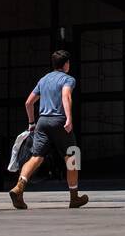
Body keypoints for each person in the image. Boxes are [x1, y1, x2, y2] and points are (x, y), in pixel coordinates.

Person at [9, 50, 88, 210]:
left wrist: (31, 123)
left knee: (36, 156)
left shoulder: (43, 80)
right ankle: (74, 197)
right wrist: (69, 118)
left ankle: (19, 187)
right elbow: (66, 96)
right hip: (59, 120)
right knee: (73, 156)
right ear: (66, 64)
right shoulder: (68, 79)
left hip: (42, 122)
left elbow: (28, 103)